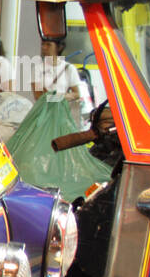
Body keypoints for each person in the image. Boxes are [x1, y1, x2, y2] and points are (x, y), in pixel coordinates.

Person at [6, 38, 107, 202]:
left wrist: (58, 96)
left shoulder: (68, 69)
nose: (44, 48)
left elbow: (76, 93)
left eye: (48, 45)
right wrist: (54, 97)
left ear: (58, 47)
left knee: (61, 149)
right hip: (42, 116)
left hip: (61, 117)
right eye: (43, 44)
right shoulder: (38, 68)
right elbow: (38, 95)